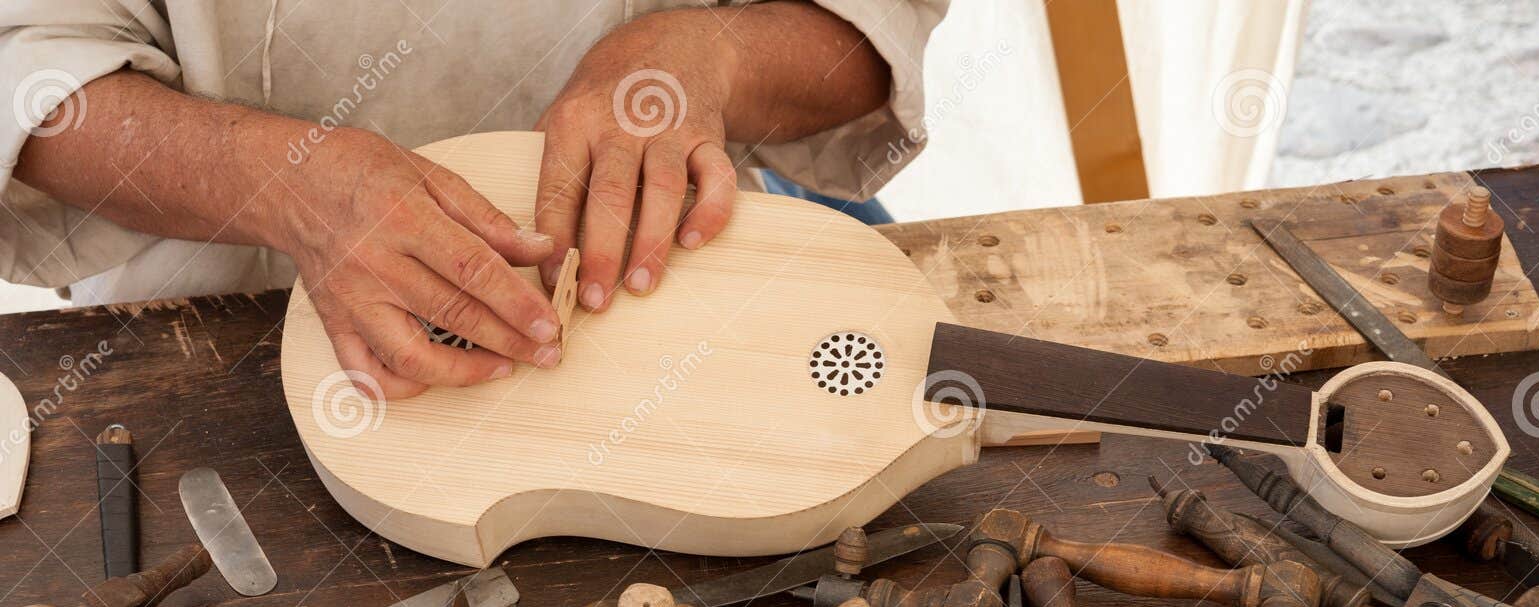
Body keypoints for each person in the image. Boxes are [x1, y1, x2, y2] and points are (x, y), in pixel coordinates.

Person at [0, 2, 946, 396]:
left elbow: (870, 25)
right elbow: (28, 69)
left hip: (671, 278)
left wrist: (713, 52)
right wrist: (289, 185)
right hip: (222, 322)